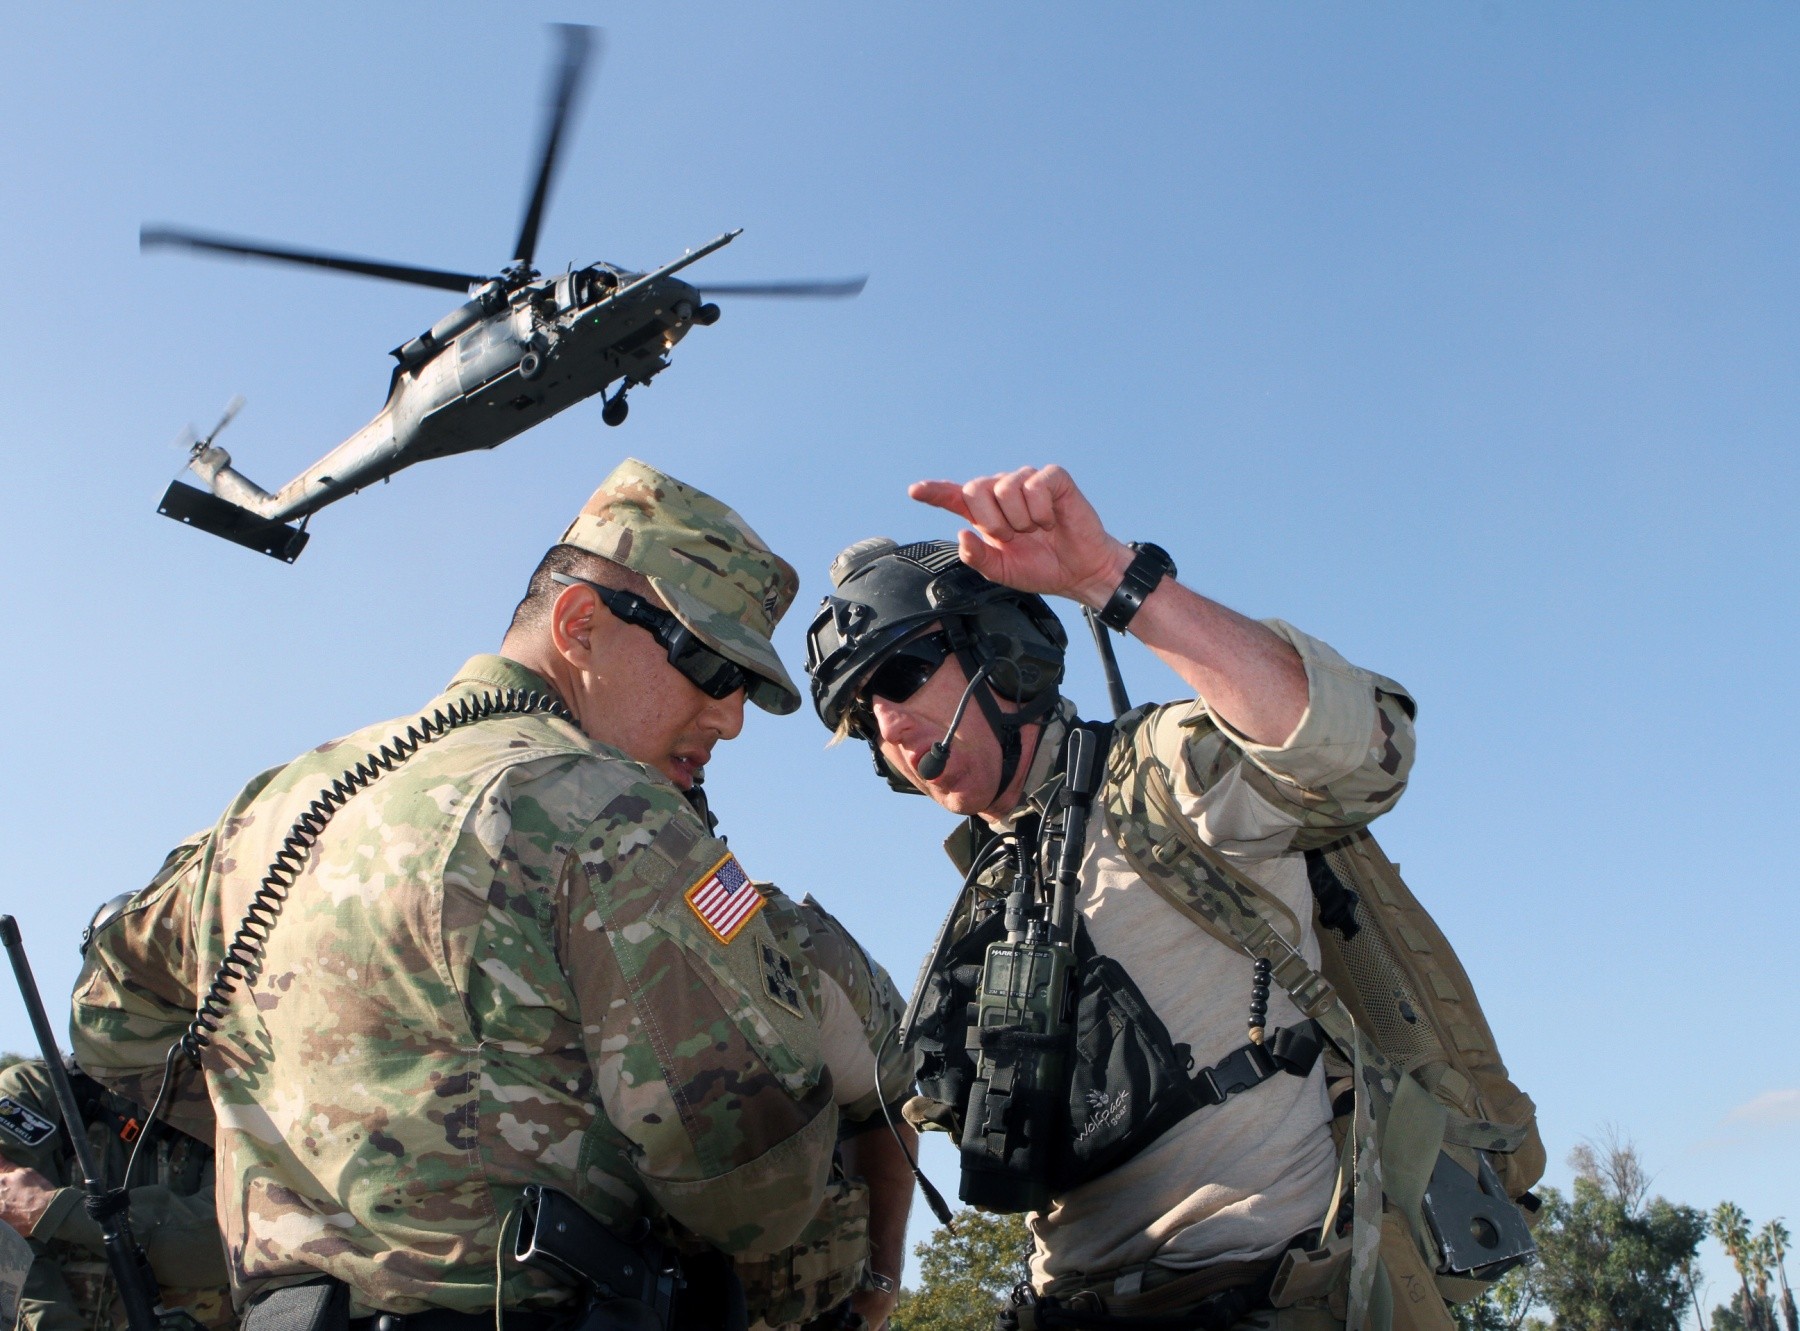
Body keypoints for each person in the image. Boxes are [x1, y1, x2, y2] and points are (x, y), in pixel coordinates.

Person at [71, 458, 915, 1328]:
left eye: (744, 686)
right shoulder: (607, 809)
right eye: (706, 663)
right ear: (581, 623)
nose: (730, 716)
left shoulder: (267, 807)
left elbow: (110, 1024)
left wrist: (319, 1127)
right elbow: (755, 1193)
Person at [804, 465, 1418, 1331]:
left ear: (1001, 646)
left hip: (1252, 1291)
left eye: (902, 672)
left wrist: (1109, 580)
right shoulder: (988, 893)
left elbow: (1356, 752)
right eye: (863, 714)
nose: (890, 725)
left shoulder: (1158, 777)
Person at [0, 1050, 232, 1330]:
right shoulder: (36, 1091)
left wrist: (57, 1210)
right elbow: (13, 1243)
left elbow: (223, 1245)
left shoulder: (236, 1101)